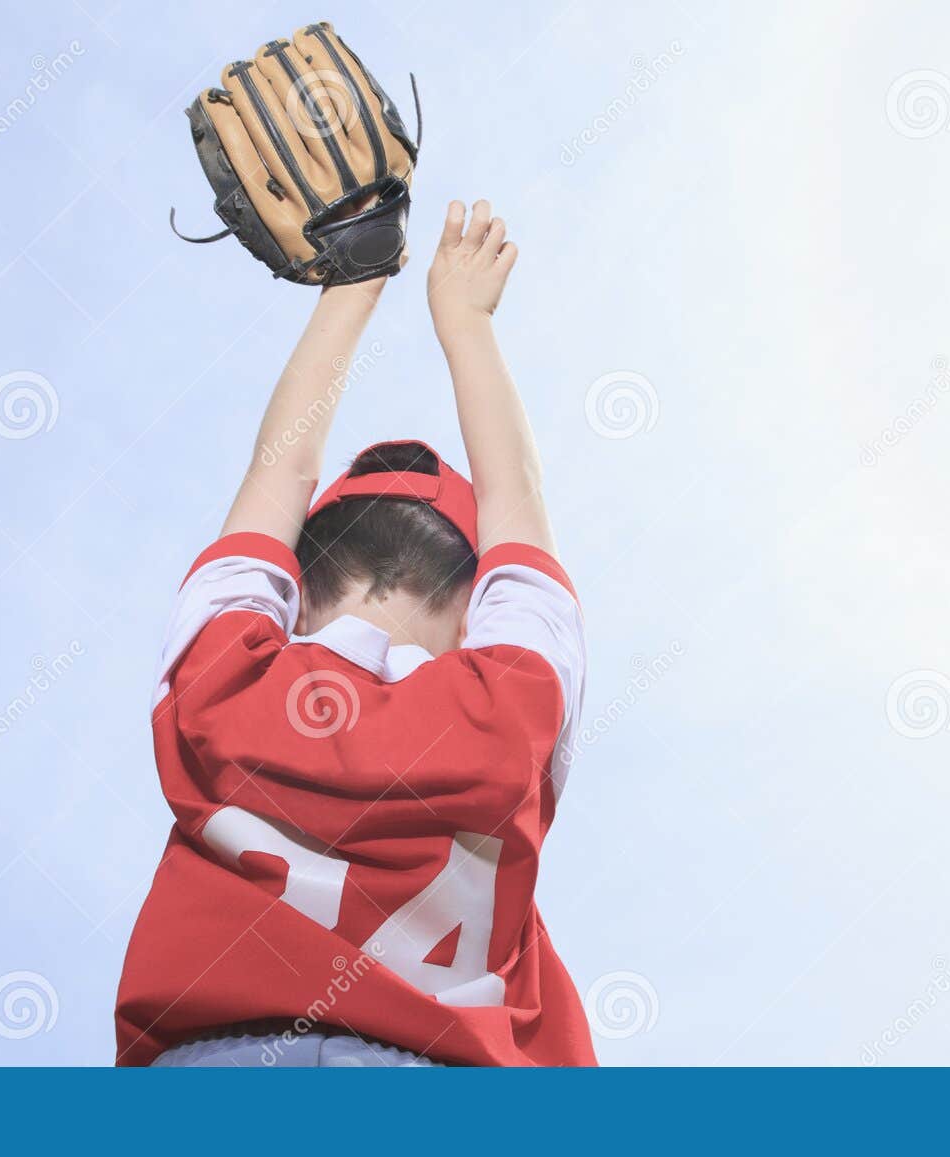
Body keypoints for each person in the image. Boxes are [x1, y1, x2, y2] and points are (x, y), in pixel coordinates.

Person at [115, 200, 595, 1067]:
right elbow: (516, 504)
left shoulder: (220, 680)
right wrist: (467, 323)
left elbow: (279, 472)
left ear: (290, 595)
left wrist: (355, 279)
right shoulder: (511, 706)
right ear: (476, 611)